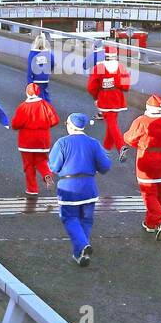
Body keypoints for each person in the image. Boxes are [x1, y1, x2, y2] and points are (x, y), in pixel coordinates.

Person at [49, 113, 112, 266]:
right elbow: (105, 166)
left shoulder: (62, 143)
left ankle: (83, 245)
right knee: (86, 220)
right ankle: (80, 254)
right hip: (89, 188)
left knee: (69, 218)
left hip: (68, 187)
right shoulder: (94, 143)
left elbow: (54, 166)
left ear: (70, 126)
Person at [123, 94, 161, 239]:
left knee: (149, 194)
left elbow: (130, 139)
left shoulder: (141, 121)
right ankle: (150, 223)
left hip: (147, 160)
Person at [9, 84, 60, 195]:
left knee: (28, 164)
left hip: (26, 141)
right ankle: (47, 174)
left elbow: (15, 124)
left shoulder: (22, 107)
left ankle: (32, 189)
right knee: (41, 160)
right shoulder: (45, 105)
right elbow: (55, 120)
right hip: (42, 140)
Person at [86, 47, 131, 161]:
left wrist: (96, 96)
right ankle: (106, 151)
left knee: (112, 124)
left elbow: (91, 86)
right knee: (112, 123)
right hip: (117, 97)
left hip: (104, 97)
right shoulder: (121, 67)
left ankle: (121, 146)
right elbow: (126, 86)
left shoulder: (99, 67)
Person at [26, 33, 54, 101]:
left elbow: (30, 69)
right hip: (45, 79)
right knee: (45, 95)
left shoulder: (32, 54)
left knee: (36, 99)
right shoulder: (48, 53)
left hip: (35, 80)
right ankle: (48, 109)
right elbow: (52, 63)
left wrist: (29, 83)